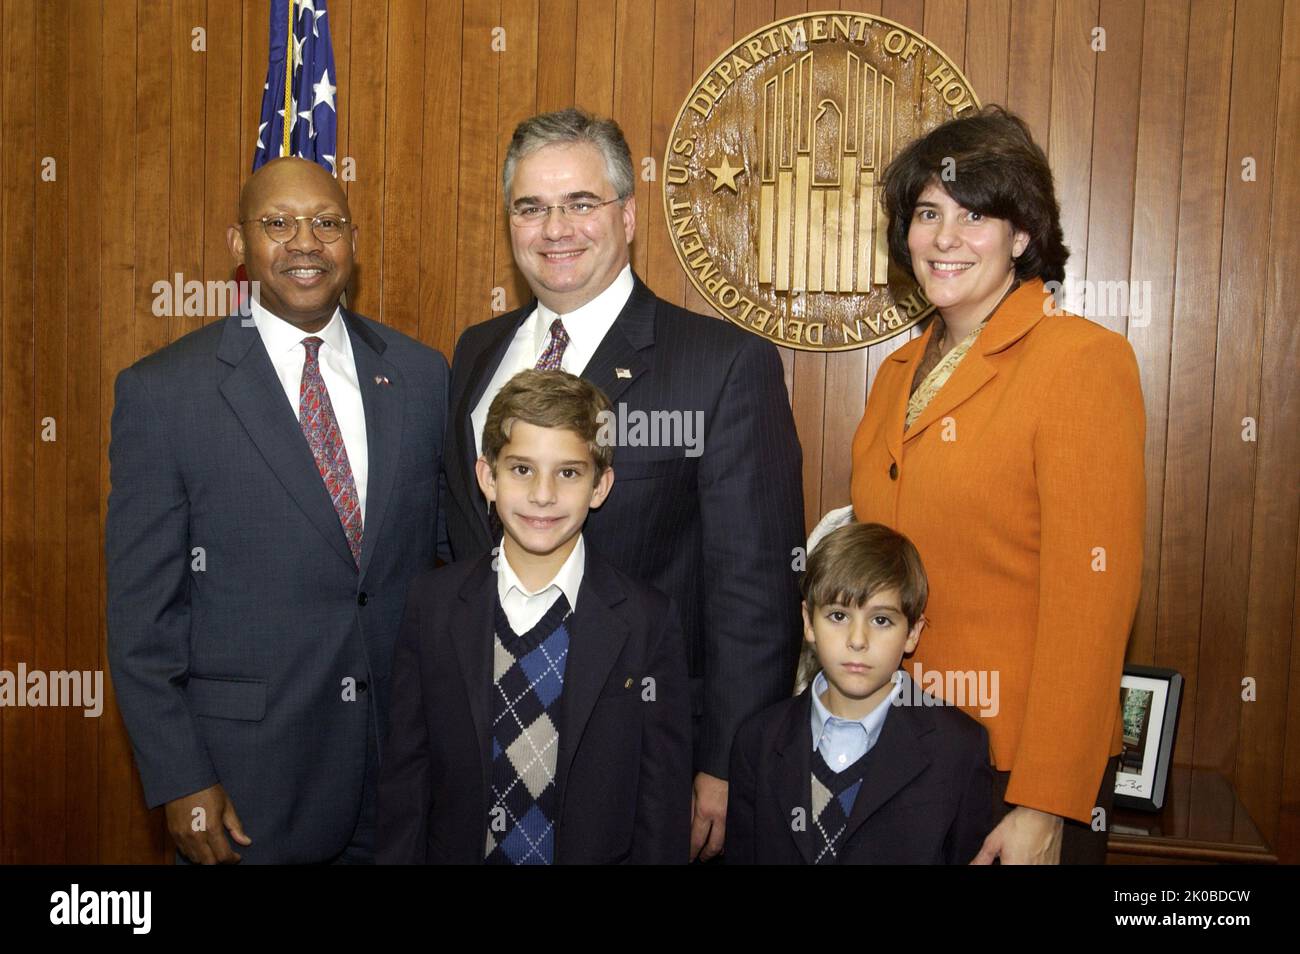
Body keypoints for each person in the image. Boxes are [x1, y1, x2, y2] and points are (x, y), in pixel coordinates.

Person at [442, 109, 804, 860]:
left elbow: (755, 589)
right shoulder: (476, 354)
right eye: (531, 207)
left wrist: (726, 765)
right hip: (481, 745)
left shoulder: (721, 364)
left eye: (581, 203)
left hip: (639, 755)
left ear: (629, 215)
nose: (555, 228)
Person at [106, 157, 450, 864]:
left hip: (401, 775)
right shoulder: (164, 394)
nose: (304, 242)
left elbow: (445, 564)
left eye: (326, 223)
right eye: (277, 224)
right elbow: (143, 618)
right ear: (239, 245)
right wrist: (180, 776)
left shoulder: (420, 376)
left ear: (352, 241)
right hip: (248, 785)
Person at [848, 106, 1145, 864]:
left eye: (974, 214)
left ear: (1021, 236)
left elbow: (1091, 601)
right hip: (896, 751)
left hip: (1012, 768)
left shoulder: (1079, 361)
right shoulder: (895, 375)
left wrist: (1044, 801)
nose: (944, 237)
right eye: (927, 213)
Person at [378, 369, 691, 863]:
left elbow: (661, 803)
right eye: (521, 469)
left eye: (568, 472)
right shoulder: (433, 605)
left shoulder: (646, 620)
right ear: (488, 477)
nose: (543, 495)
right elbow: (405, 777)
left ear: (600, 486)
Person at [726, 522, 993, 864]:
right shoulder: (758, 741)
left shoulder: (958, 748)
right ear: (809, 622)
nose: (857, 639)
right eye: (838, 616)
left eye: (881, 620)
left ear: (912, 632)